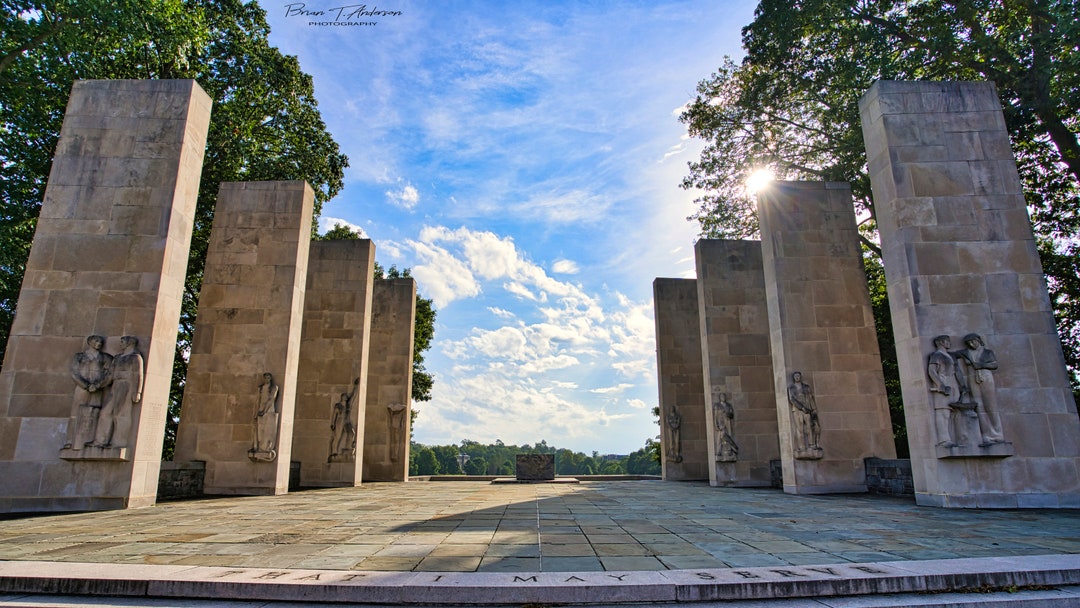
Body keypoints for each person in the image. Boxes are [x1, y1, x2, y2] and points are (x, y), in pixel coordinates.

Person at [91, 336, 143, 449]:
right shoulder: (118, 357)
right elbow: (110, 375)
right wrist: (98, 385)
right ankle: (100, 441)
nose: (121, 344)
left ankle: (119, 443)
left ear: (129, 343)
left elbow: (138, 375)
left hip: (126, 386)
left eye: (123, 342)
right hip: (115, 385)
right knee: (105, 412)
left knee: (121, 414)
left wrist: (137, 392)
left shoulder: (135, 357)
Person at [953, 333, 1004, 446]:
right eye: (969, 343)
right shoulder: (966, 352)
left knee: (991, 406)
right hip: (972, 378)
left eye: (973, 341)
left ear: (978, 340)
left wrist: (980, 365)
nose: (971, 344)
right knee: (979, 405)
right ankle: (986, 435)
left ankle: (997, 434)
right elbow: (953, 355)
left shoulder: (987, 352)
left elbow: (994, 365)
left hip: (985, 377)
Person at [64, 335, 113, 450]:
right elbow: (74, 372)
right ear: (90, 342)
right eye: (96, 341)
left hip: (97, 389)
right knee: (75, 414)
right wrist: (85, 385)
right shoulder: (80, 356)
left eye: (101, 341)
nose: (99, 343)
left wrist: (98, 385)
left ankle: (89, 439)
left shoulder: (104, 357)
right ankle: (70, 441)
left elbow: (109, 373)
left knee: (94, 412)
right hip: (82, 388)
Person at [926, 335, 960, 447]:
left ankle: (951, 437)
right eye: (947, 341)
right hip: (943, 383)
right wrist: (941, 385)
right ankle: (943, 439)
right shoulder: (937, 355)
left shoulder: (948, 356)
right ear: (940, 342)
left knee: (950, 411)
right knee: (942, 411)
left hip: (951, 383)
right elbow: (932, 371)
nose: (949, 343)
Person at [787, 371, 822, 459]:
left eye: (798, 376)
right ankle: (802, 446)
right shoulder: (791, 387)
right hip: (798, 410)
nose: (797, 377)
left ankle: (812, 444)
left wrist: (813, 409)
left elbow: (810, 398)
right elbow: (792, 399)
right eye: (795, 376)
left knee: (809, 427)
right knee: (800, 428)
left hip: (808, 409)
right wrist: (802, 407)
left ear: (800, 377)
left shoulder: (806, 387)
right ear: (794, 378)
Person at [329, 377, 360, 462]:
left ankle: (349, 448)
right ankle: (333, 451)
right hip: (340, 421)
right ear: (342, 397)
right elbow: (334, 415)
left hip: (346, 421)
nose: (347, 397)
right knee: (337, 436)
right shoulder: (338, 405)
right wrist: (332, 424)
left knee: (351, 432)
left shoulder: (348, 404)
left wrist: (356, 386)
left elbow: (353, 395)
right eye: (345, 396)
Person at [253, 372, 280, 456]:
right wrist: (256, 412)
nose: (266, 379)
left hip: (269, 410)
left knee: (268, 429)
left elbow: (271, 399)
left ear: (270, 378)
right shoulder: (260, 388)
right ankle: (259, 448)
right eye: (265, 378)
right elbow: (257, 400)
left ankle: (267, 447)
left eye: (268, 378)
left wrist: (264, 411)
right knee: (260, 429)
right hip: (260, 409)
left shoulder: (274, 388)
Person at [713, 391, 738, 462]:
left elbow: (731, 414)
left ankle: (729, 451)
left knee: (728, 437)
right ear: (720, 398)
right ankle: (719, 452)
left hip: (727, 423)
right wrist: (716, 425)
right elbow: (715, 416)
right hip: (720, 424)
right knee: (720, 438)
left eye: (724, 397)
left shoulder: (728, 405)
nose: (723, 398)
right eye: (721, 397)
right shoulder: (717, 406)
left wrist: (729, 414)